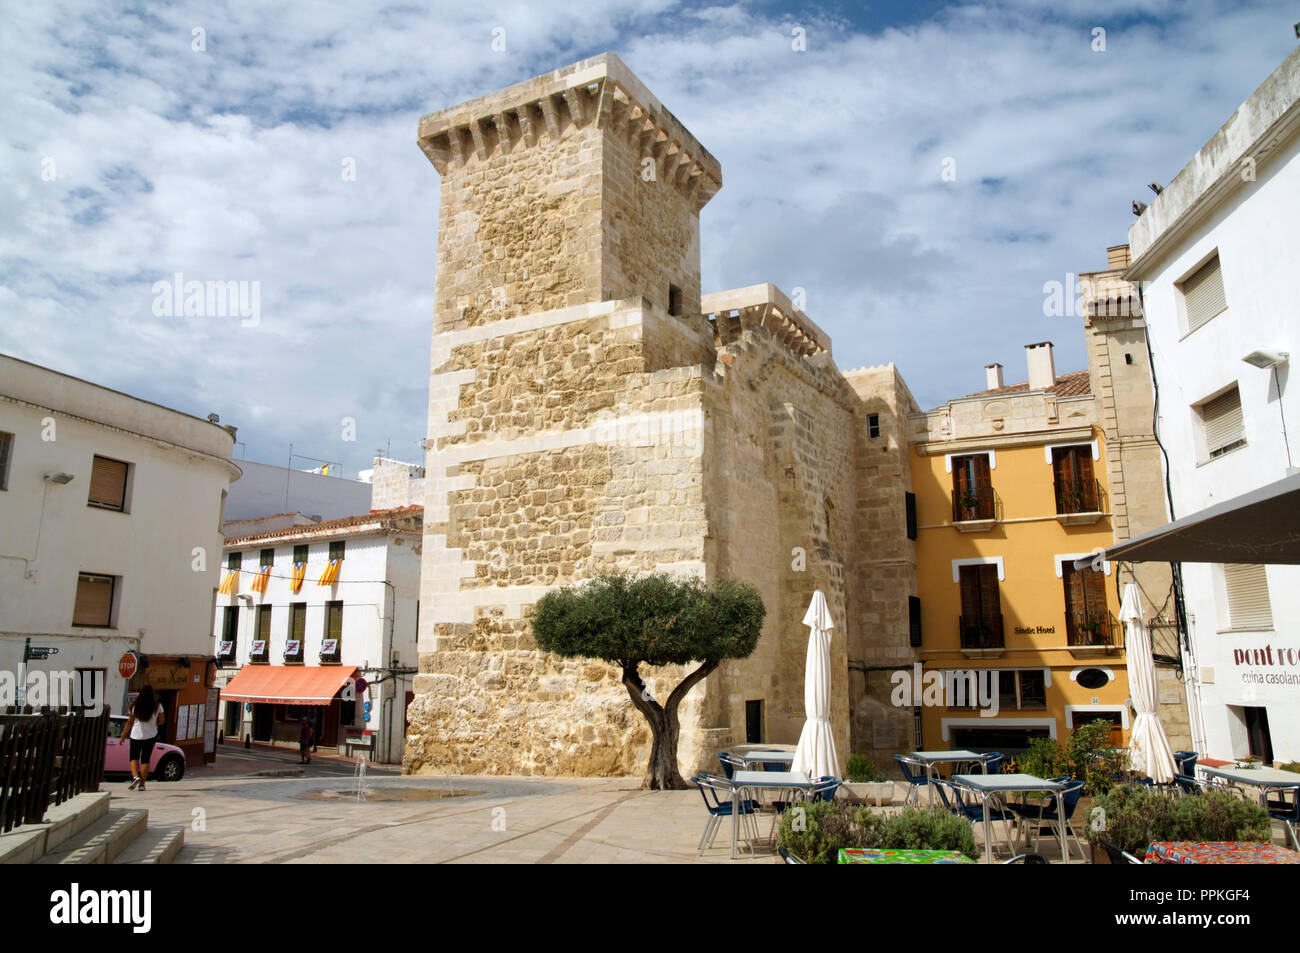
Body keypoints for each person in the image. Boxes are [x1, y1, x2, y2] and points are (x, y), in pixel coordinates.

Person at [119, 686, 164, 791]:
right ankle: (142, 785)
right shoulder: (157, 706)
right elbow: (162, 721)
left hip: (136, 735)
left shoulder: (135, 705)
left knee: (133, 757)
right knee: (145, 759)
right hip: (151, 735)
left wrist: (123, 735)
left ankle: (135, 777)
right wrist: (153, 724)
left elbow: (130, 722)